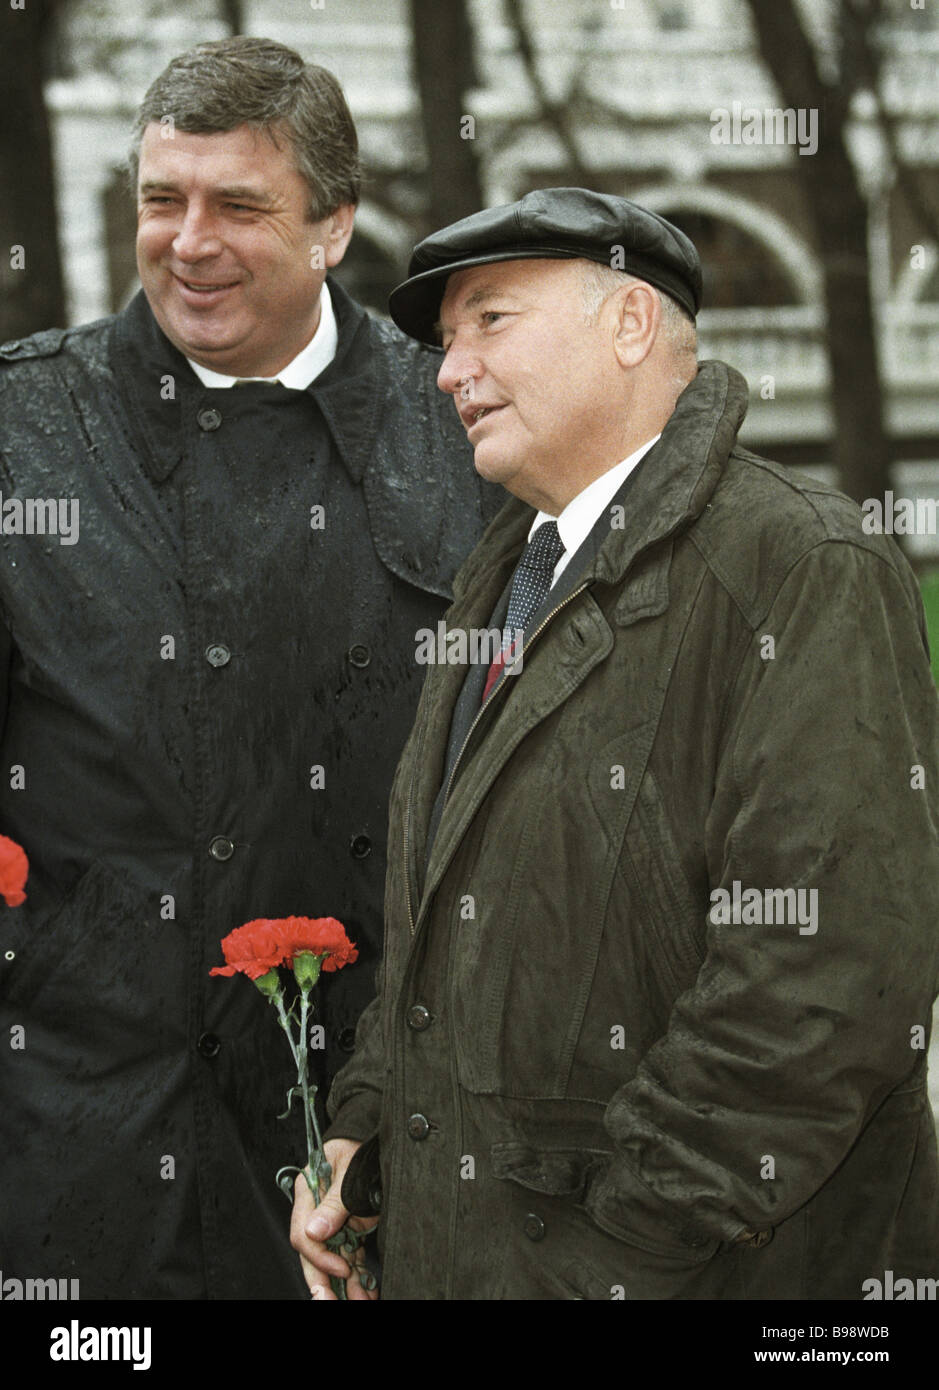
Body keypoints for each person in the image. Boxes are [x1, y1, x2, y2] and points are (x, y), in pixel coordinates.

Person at [292, 187, 939, 1300]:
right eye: (448, 343)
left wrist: (614, 1260)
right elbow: (446, 923)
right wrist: (366, 1140)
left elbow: (823, 985)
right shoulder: (495, 586)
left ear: (631, 324)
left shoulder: (801, 563)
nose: (451, 371)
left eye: (491, 321)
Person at [0, 37, 496, 1299]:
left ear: (333, 227)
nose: (189, 240)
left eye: (239, 205)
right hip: (82, 1136)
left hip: (371, 1134)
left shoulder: (464, 430)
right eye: (162, 200)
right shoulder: (26, 435)